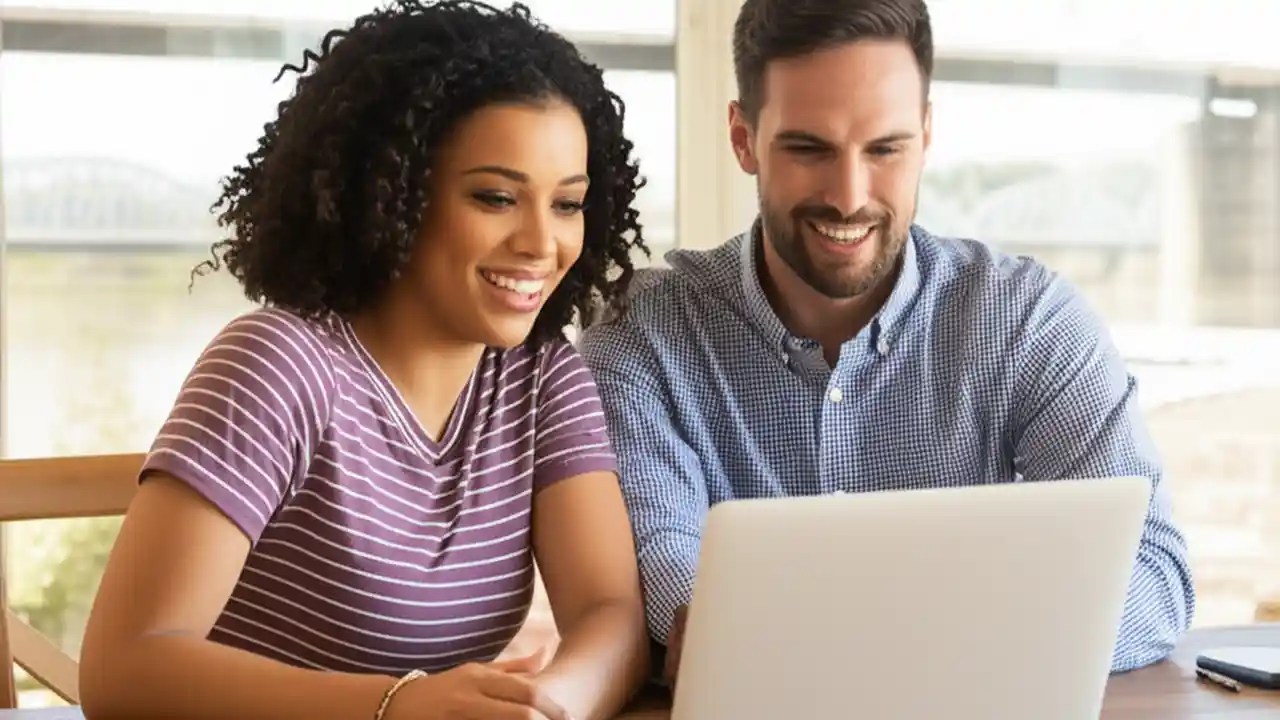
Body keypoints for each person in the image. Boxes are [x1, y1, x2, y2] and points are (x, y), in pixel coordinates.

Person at [578, 0, 1195, 687]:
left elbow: (1154, 574)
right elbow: (666, 562)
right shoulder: (644, 331)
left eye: (885, 149)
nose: (849, 196)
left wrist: (890, 649)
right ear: (744, 137)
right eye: (809, 148)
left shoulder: (1027, 320)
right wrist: (985, 635)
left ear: (926, 134)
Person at [79, 2, 651, 719]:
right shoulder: (275, 366)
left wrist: (551, 705)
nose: (542, 242)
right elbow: (124, 668)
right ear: (391, 194)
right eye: (496, 197)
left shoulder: (541, 379)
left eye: (567, 204)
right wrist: (395, 706)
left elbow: (611, 613)